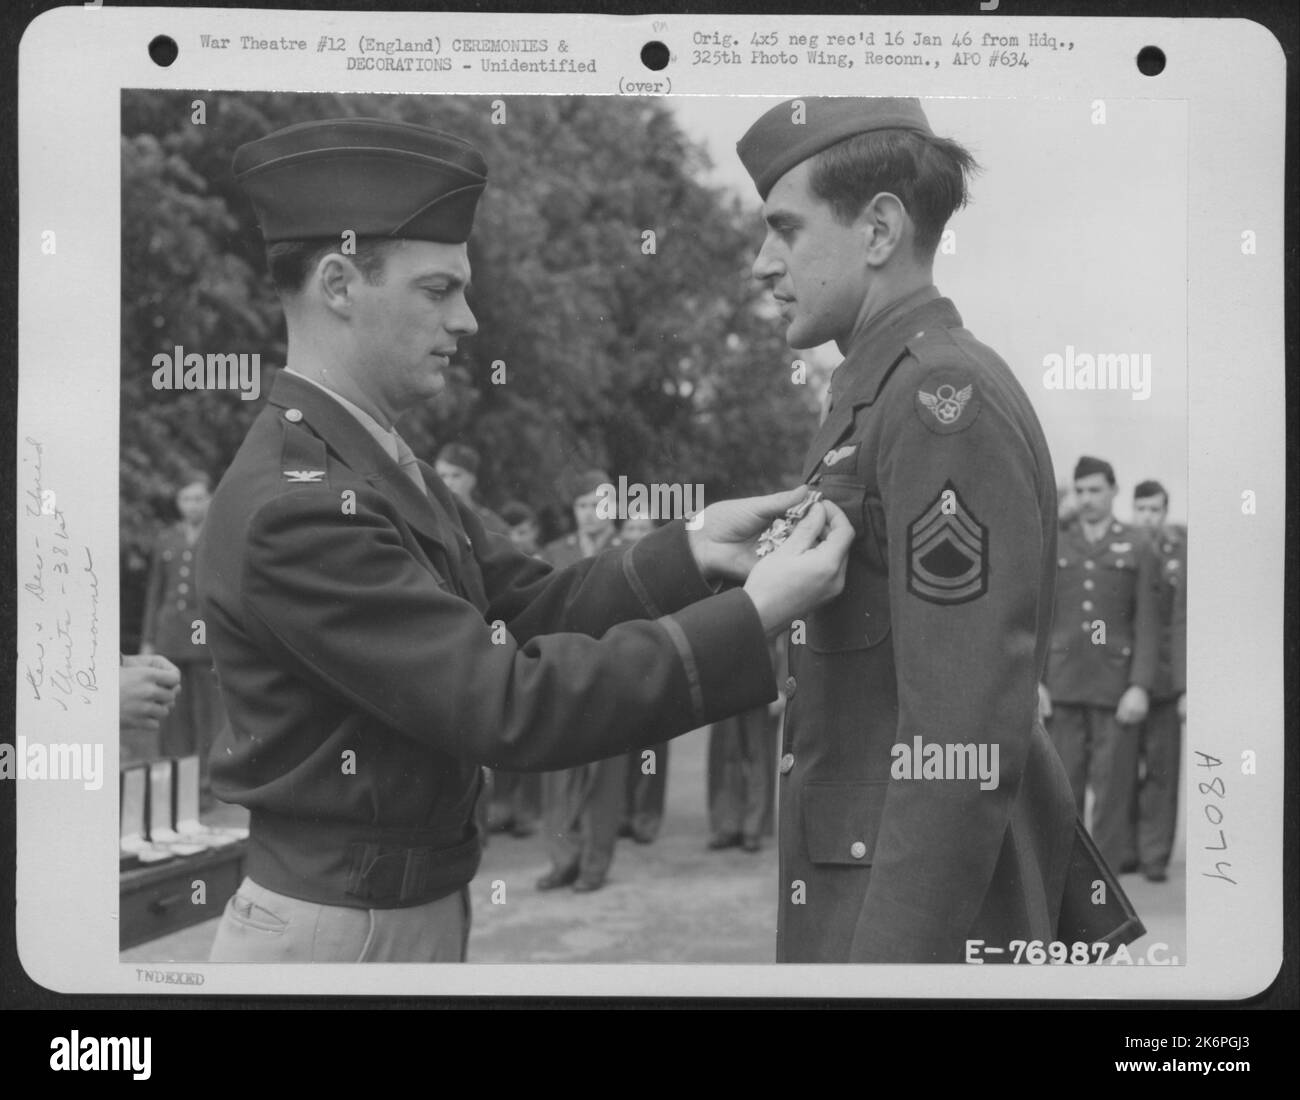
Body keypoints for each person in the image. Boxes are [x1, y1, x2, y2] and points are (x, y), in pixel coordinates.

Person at [198, 116, 851, 963]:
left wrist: (694, 546)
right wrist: (754, 614)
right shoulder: (302, 504)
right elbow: (505, 703)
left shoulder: (373, 462)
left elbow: (529, 606)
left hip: (387, 916)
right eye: (438, 290)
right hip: (343, 934)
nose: (467, 321)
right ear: (338, 283)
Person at [737, 96, 1145, 962]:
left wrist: (892, 971)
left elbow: (959, 733)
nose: (762, 263)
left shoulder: (937, 404)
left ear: (880, 229)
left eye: (784, 229)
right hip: (857, 873)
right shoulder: (874, 391)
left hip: (909, 914)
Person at [1041, 457, 1161, 873]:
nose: (1087, 499)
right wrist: (1037, 682)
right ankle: (1064, 885)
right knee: (1062, 793)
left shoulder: (1138, 545)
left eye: (1095, 490)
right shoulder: (1058, 539)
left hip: (1116, 688)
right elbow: (1042, 614)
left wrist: (1140, 686)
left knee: (1112, 794)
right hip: (1064, 684)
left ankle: (1104, 891)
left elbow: (1148, 620)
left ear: (1113, 490)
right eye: (1081, 491)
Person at [535, 471, 631, 887]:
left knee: (604, 775)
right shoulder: (554, 552)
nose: (589, 514)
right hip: (561, 673)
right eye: (581, 505)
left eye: (598, 504)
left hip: (610, 674)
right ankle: (563, 859)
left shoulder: (632, 551)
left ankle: (594, 863)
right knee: (558, 774)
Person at [140, 473, 224, 803]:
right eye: (185, 499)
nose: (191, 506)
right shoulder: (167, 539)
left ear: (209, 499)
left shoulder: (219, 536)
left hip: (206, 641)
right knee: (171, 715)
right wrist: (148, 639)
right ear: (178, 503)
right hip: (170, 638)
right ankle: (173, 784)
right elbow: (154, 592)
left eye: (197, 499)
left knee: (208, 717)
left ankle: (204, 786)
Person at [1130, 479, 1186, 883]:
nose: (1148, 517)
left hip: (1166, 682)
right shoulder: (1124, 548)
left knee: (1162, 773)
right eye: (1142, 509)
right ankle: (1127, 851)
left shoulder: (1179, 554)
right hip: (1125, 681)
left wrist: (1186, 687)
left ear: (1165, 512)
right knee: (1121, 771)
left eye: (1155, 510)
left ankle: (1155, 856)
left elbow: (1183, 622)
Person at [614, 510, 670, 845]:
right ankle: (620, 813)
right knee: (619, 748)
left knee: (651, 752)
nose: (636, 533)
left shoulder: (665, 569)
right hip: (619, 669)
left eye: (643, 527)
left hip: (655, 667)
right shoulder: (612, 567)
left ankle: (645, 817)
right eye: (630, 527)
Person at [707, 635, 782, 853]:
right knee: (728, 754)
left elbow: (790, 632)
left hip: (762, 673)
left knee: (758, 754)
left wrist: (781, 685)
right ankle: (728, 824)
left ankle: (753, 827)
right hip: (727, 676)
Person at [435, 442, 508, 535]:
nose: (448, 483)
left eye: (456, 475)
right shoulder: (430, 517)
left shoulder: (492, 524)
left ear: (472, 479)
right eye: (442, 476)